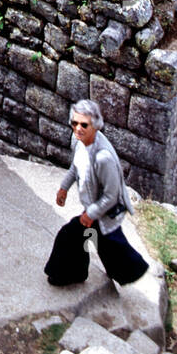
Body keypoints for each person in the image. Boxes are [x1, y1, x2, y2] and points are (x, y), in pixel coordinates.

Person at [44, 99, 149, 287]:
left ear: (95, 125)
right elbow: (75, 167)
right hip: (95, 207)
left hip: (105, 211)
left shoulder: (103, 158)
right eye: (74, 123)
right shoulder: (81, 143)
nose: (78, 128)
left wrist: (90, 214)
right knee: (104, 242)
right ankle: (125, 270)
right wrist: (64, 188)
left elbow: (111, 195)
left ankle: (67, 274)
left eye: (84, 125)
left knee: (71, 235)